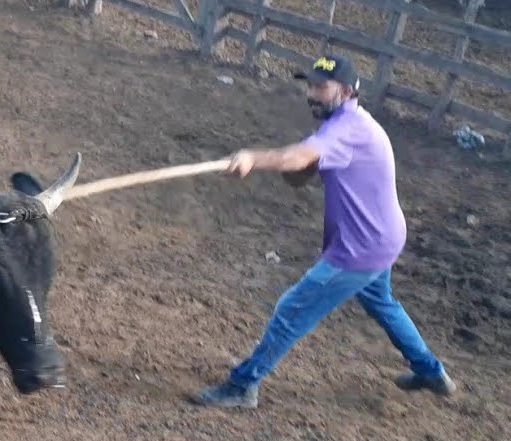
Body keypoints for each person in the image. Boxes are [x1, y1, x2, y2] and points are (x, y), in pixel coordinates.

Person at [193, 54, 455, 409]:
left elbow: (297, 158)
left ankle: (243, 386)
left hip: (361, 247)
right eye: (310, 85)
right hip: (381, 237)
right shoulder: (347, 124)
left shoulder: (347, 129)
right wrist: (294, 162)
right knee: (382, 303)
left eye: (320, 87)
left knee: (292, 310)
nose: (311, 94)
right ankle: (430, 371)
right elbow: (299, 172)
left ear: (346, 91)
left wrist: (253, 158)